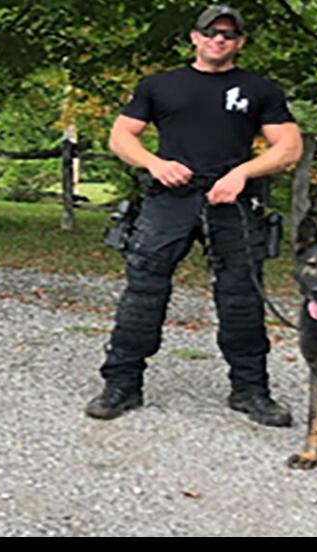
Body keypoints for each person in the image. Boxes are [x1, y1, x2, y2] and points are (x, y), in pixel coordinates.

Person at [86, 5, 303, 426]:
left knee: (241, 298)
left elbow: (288, 147)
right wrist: (153, 163)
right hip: (170, 198)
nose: (219, 39)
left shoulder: (260, 90)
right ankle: (121, 386)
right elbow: (120, 136)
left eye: (229, 34)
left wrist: (242, 173)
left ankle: (250, 390)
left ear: (239, 42)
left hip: (232, 202)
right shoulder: (160, 86)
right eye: (211, 32)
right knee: (143, 294)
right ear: (195, 37)